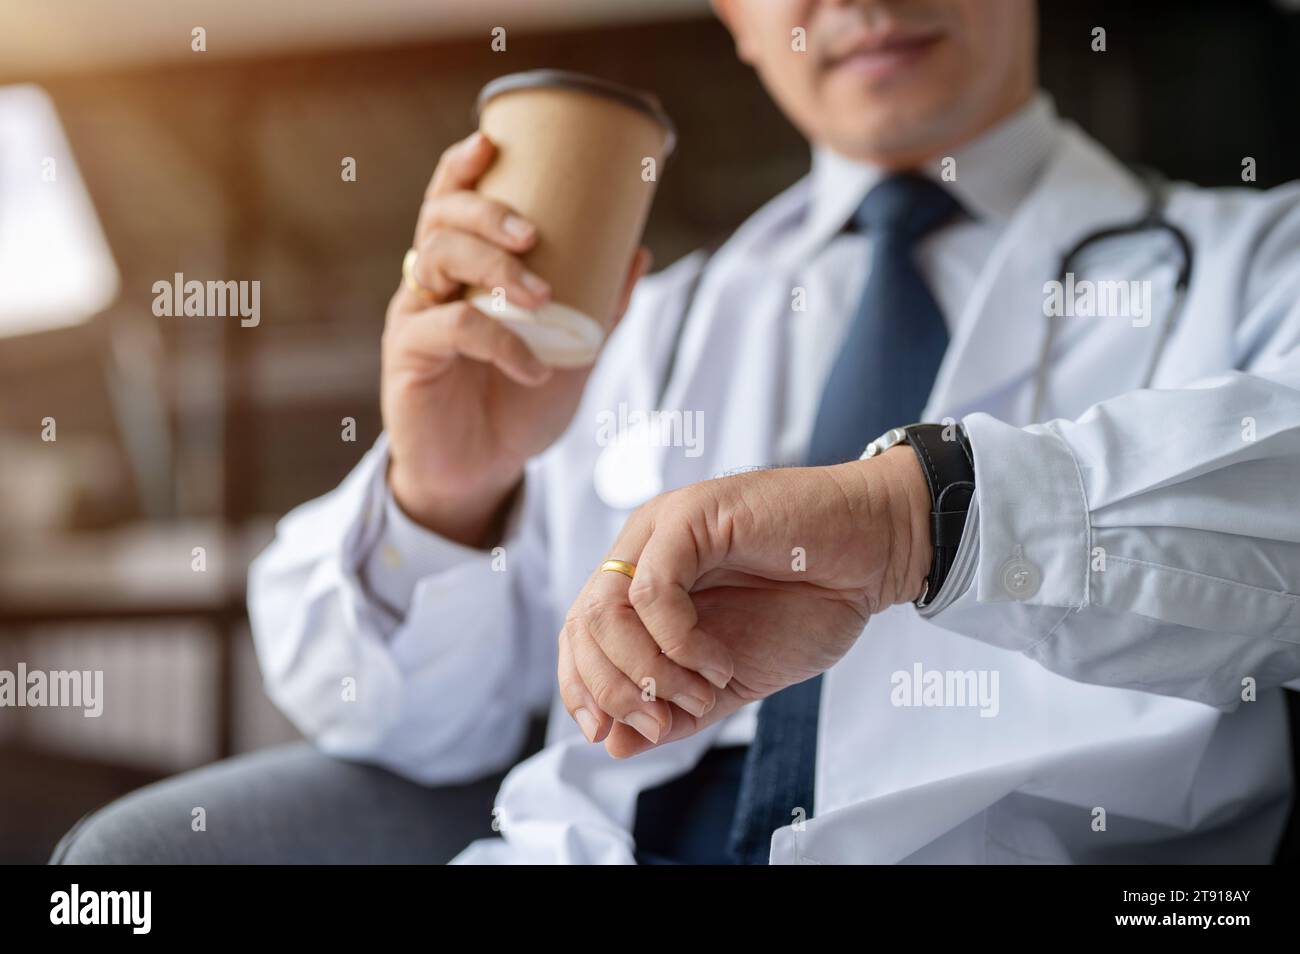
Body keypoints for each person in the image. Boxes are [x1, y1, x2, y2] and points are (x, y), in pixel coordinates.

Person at [56, 0, 1300, 865]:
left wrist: (910, 522)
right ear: (740, 16)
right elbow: (403, 727)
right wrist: (450, 486)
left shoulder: (1256, 259)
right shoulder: (641, 325)